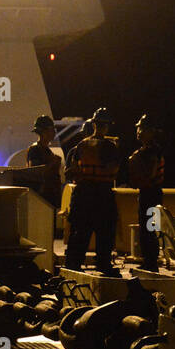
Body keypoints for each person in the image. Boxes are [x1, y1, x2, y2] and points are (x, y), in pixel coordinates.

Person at [65, 107, 121, 275]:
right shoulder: (111, 148)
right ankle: (103, 265)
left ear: (94, 124)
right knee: (105, 233)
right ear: (107, 127)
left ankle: (73, 266)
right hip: (103, 194)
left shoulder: (81, 146)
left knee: (80, 232)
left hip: (83, 194)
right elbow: (114, 170)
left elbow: (72, 170)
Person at [128, 115, 167, 272]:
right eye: (138, 128)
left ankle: (151, 263)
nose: (138, 132)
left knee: (150, 229)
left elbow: (150, 175)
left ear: (151, 132)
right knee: (147, 229)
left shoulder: (152, 152)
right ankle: (149, 261)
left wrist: (139, 179)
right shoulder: (146, 151)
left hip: (152, 194)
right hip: (148, 193)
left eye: (142, 129)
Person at [25, 115, 64, 210]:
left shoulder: (47, 150)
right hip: (42, 198)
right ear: (43, 132)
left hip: (50, 196)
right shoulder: (35, 150)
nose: (54, 132)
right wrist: (53, 163)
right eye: (52, 130)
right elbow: (34, 171)